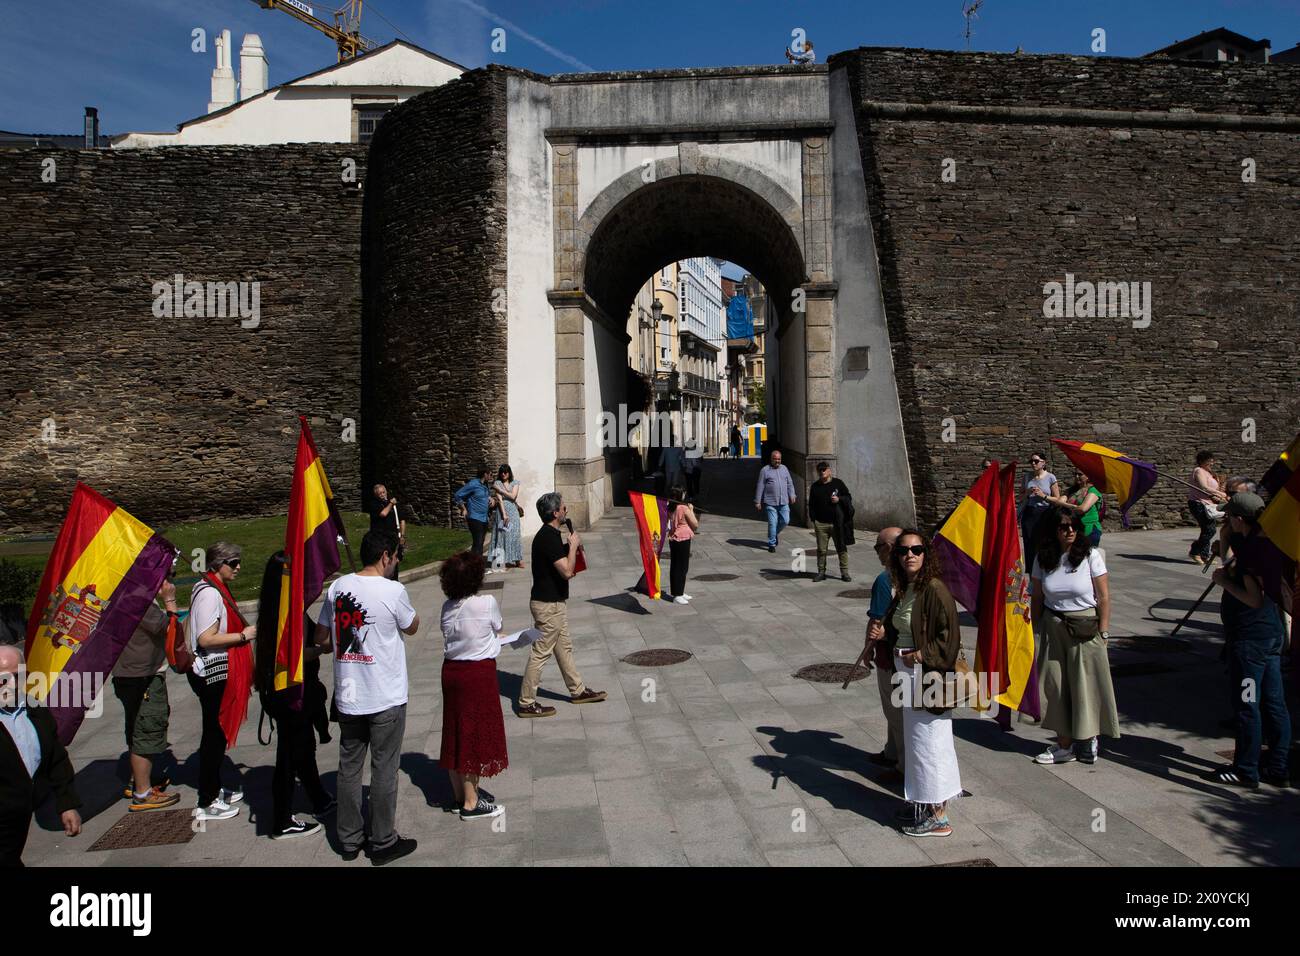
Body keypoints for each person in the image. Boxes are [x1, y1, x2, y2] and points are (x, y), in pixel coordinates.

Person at [317, 530, 419, 864]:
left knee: (349, 768)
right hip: (384, 693)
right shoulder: (393, 590)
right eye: (396, 557)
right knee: (384, 769)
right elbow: (413, 625)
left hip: (349, 693)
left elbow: (322, 635)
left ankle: (348, 839)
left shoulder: (337, 588)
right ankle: (383, 840)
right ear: (386, 556)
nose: (396, 563)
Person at [880, 530, 963, 837]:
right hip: (905, 670)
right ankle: (923, 803)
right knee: (915, 743)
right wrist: (887, 635)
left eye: (916, 549)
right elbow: (903, 625)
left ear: (926, 554)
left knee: (931, 742)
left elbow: (949, 638)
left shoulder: (935, 589)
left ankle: (939, 816)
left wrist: (922, 653)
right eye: (903, 551)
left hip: (926, 673)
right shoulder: (906, 588)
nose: (910, 555)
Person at [1209, 493, 1291, 788]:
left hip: (1250, 642)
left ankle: (1245, 770)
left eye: (1229, 516)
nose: (1226, 520)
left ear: (1239, 518)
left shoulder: (1251, 556)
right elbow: (1231, 557)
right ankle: (1279, 768)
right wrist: (1225, 538)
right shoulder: (1263, 543)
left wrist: (1223, 582)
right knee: (1274, 703)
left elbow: (1252, 598)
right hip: (1271, 636)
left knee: (1247, 704)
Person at [255, 553, 333, 841]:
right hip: (290, 694)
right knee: (289, 756)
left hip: (288, 692)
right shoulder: (286, 614)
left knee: (303, 749)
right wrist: (324, 649)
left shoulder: (277, 609)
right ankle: (282, 819)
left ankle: (319, 798)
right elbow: (296, 657)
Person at [1030, 508, 1118, 765]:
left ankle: (1089, 738)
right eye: (1063, 526)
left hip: (1085, 626)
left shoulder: (1090, 556)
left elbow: (1103, 597)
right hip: (1053, 625)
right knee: (1055, 685)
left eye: (1073, 526)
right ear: (1053, 530)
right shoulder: (1043, 558)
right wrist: (1034, 629)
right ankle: (1064, 744)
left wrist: (1104, 630)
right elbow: (1037, 597)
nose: (1069, 531)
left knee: (1084, 685)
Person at [517, 493, 606, 717]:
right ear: (556, 513)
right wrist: (573, 546)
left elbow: (567, 568)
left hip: (555, 603)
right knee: (540, 652)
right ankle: (526, 702)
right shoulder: (547, 537)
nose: (566, 511)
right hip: (548, 606)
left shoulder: (552, 535)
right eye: (564, 508)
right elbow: (567, 571)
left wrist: (571, 547)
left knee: (564, 648)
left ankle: (577, 691)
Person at [187, 542, 257, 822]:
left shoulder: (209, 588)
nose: (238, 567)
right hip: (210, 672)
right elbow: (206, 638)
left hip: (214, 670)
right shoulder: (209, 594)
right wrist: (243, 636)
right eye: (233, 562)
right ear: (217, 565)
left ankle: (214, 787)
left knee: (216, 733)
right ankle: (207, 799)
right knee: (214, 735)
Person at [438, 551, 509, 819]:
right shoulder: (486, 603)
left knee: (456, 729)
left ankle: (460, 794)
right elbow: (498, 626)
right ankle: (471, 802)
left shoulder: (447, 607)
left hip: (452, 673)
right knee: (474, 734)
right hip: (477, 674)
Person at [0, 644, 82, 866]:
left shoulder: (35, 710)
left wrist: (66, 803)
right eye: (3, 679)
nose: (12, 684)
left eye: (19, 676)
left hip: (19, 817)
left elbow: (56, 758)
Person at [111, 570, 182, 811]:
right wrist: (170, 600)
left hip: (128, 673)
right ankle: (143, 792)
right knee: (147, 729)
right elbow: (167, 627)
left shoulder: (122, 593)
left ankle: (138, 780)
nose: (169, 579)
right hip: (143, 676)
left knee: (136, 727)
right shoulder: (137, 598)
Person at [865, 526, 904, 775]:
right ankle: (891, 752)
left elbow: (876, 620)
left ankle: (903, 766)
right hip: (907, 657)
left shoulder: (884, 579)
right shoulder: (914, 576)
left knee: (896, 712)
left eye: (878, 546)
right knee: (897, 709)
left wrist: (868, 648)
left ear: (889, 548)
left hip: (889, 658)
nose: (877, 552)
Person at [808, 461, 853, 582]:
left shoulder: (838, 483)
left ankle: (844, 573)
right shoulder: (815, 486)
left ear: (829, 470)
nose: (822, 472)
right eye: (820, 470)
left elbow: (848, 497)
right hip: (821, 524)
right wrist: (814, 520)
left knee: (841, 547)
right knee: (822, 550)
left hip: (837, 523)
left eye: (824, 469)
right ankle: (821, 572)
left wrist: (839, 499)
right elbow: (811, 504)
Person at [1187, 451, 1228, 566]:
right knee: (1209, 529)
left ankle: (1204, 555)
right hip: (1198, 503)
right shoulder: (1199, 471)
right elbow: (1204, 487)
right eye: (1209, 460)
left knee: (1209, 528)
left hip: (1208, 504)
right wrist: (1221, 494)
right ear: (1202, 461)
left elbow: (1212, 488)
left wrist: (1221, 491)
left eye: (1212, 460)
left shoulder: (1209, 472)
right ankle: (1195, 552)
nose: (1212, 463)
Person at [1046, 468, 1103, 547]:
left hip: (1089, 528)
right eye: (1075, 474)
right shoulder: (1072, 490)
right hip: (1074, 528)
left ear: (1087, 476)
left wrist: (1066, 505)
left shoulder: (1093, 490)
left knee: (1088, 555)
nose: (1077, 476)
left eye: (1080, 474)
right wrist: (1073, 506)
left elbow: (1082, 509)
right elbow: (1058, 502)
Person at [754, 448, 797, 554]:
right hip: (770, 502)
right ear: (771, 459)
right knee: (772, 523)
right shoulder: (765, 470)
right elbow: (760, 486)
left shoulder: (784, 469)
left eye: (779, 459)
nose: (777, 461)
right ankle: (772, 544)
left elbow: (789, 483)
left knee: (786, 521)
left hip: (784, 502)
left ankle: (773, 534)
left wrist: (792, 494)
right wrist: (758, 501)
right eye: (775, 459)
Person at [1020, 452, 1060, 560]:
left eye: (1036, 461)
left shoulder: (1050, 477)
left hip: (1045, 512)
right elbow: (1020, 497)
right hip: (1030, 512)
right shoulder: (1027, 477)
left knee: (1044, 541)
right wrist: (1027, 493)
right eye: (1031, 461)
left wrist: (1043, 496)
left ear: (1043, 463)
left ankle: (1045, 566)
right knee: (1029, 542)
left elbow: (1057, 499)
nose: (1033, 463)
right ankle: (1031, 569)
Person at [667, 485, 700, 605]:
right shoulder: (683, 508)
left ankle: (680, 591)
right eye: (684, 493)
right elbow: (695, 524)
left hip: (674, 538)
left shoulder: (670, 506)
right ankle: (677, 594)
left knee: (677, 565)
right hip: (682, 538)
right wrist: (691, 510)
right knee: (681, 566)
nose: (685, 495)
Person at [368, 484, 407, 579]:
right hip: (381, 539)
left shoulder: (394, 505)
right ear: (376, 495)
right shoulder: (375, 504)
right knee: (383, 562)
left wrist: (402, 536)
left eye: (383, 492)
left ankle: (395, 580)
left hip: (394, 537)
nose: (382, 495)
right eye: (379, 493)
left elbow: (402, 520)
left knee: (395, 561)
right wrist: (390, 504)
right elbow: (383, 513)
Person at [454, 465, 493, 557]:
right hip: (474, 517)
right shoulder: (473, 484)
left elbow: (484, 496)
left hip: (484, 518)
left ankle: (475, 565)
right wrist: (463, 508)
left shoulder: (485, 485)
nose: (491, 477)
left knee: (479, 543)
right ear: (485, 474)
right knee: (478, 542)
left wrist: (490, 499)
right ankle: (474, 566)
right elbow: (457, 495)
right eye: (490, 474)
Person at [491, 464, 524, 569]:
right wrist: (504, 514)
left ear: (509, 473)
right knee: (502, 536)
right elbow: (500, 500)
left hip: (513, 512)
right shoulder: (497, 483)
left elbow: (513, 496)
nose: (504, 474)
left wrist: (500, 490)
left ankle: (517, 560)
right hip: (502, 512)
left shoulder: (515, 483)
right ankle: (500, 562)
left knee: (514, 535)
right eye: (502, 472)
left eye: (506, 472)